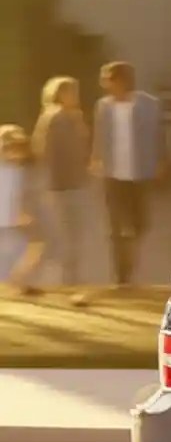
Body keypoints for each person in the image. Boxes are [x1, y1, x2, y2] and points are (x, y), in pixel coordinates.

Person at [92, 61, 167, 290]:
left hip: (139, 173)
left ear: (122, 81)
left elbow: (159, 135)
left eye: (108, 79)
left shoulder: (149, 105)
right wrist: (95, 158)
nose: (104, 84)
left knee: (140, 224)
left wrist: (162, 161)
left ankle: (130, 258)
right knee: (114, 227)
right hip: (112, 174)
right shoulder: (103, 106)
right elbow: (99, 135)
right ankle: (121, 276)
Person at [32, 76, 91, 305]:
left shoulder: (74, 117)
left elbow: (82, 148)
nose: (74, 96)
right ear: (59, 94)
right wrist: (48, 184)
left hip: (75, 183)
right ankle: (64, 282)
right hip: (60, 185)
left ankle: (71, 280)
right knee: (64, 236)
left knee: (74, 234)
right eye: (70, 92)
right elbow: (44, 153)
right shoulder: (53, 117)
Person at [0, 124, 45, 296]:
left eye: (20, 148)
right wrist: (13, 215)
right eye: (13, 148)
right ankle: (18, 280)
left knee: (36, 243)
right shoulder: (6, 170)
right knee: (36, 242)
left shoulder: (14, 168)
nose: (18, 153)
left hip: (9, 215)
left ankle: (19, 280)